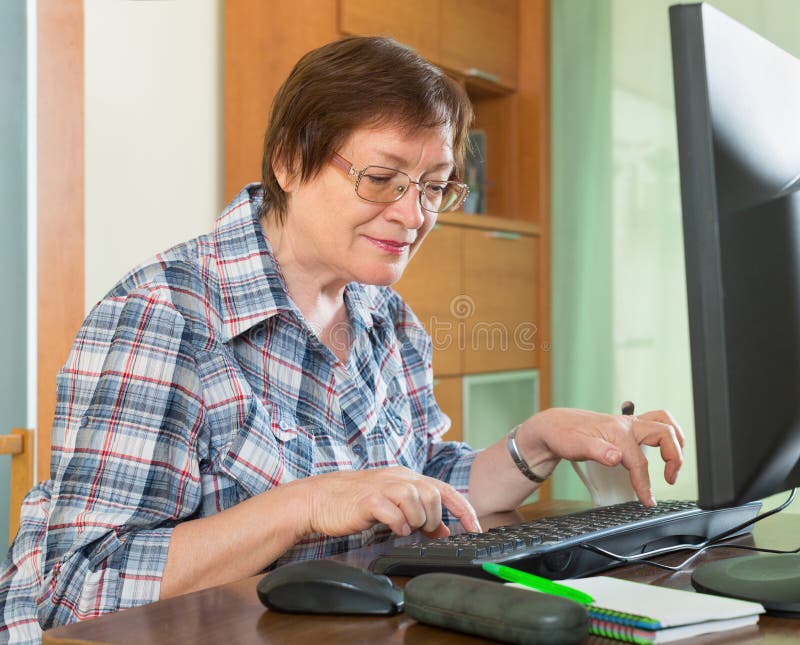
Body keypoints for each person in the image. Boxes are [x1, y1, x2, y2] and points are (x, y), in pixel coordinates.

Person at [0, 36, 684, 642]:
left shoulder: (386, 317)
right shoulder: (162, 315)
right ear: (289, 163)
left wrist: (536, 440)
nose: (413, 215)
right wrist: (305, 504)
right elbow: (75, 590)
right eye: (382, 179)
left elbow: (421, 485)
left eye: (435, 187)